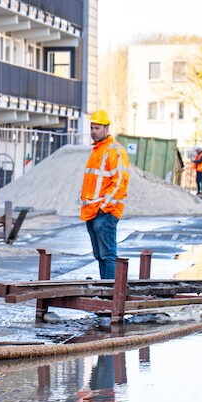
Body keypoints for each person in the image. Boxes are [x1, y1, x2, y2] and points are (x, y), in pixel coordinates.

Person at [80, 110, 130, 280]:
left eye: (97, 128)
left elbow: (120, 182)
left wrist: (104, 207)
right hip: (93, 211)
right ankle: (106, 289)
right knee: (100, 255)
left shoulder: (114, 150)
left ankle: (111, 293)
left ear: (106, 129)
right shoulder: (97, 151)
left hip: (104, 212)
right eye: (92, 128)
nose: (94, 131)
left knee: (107, 255)